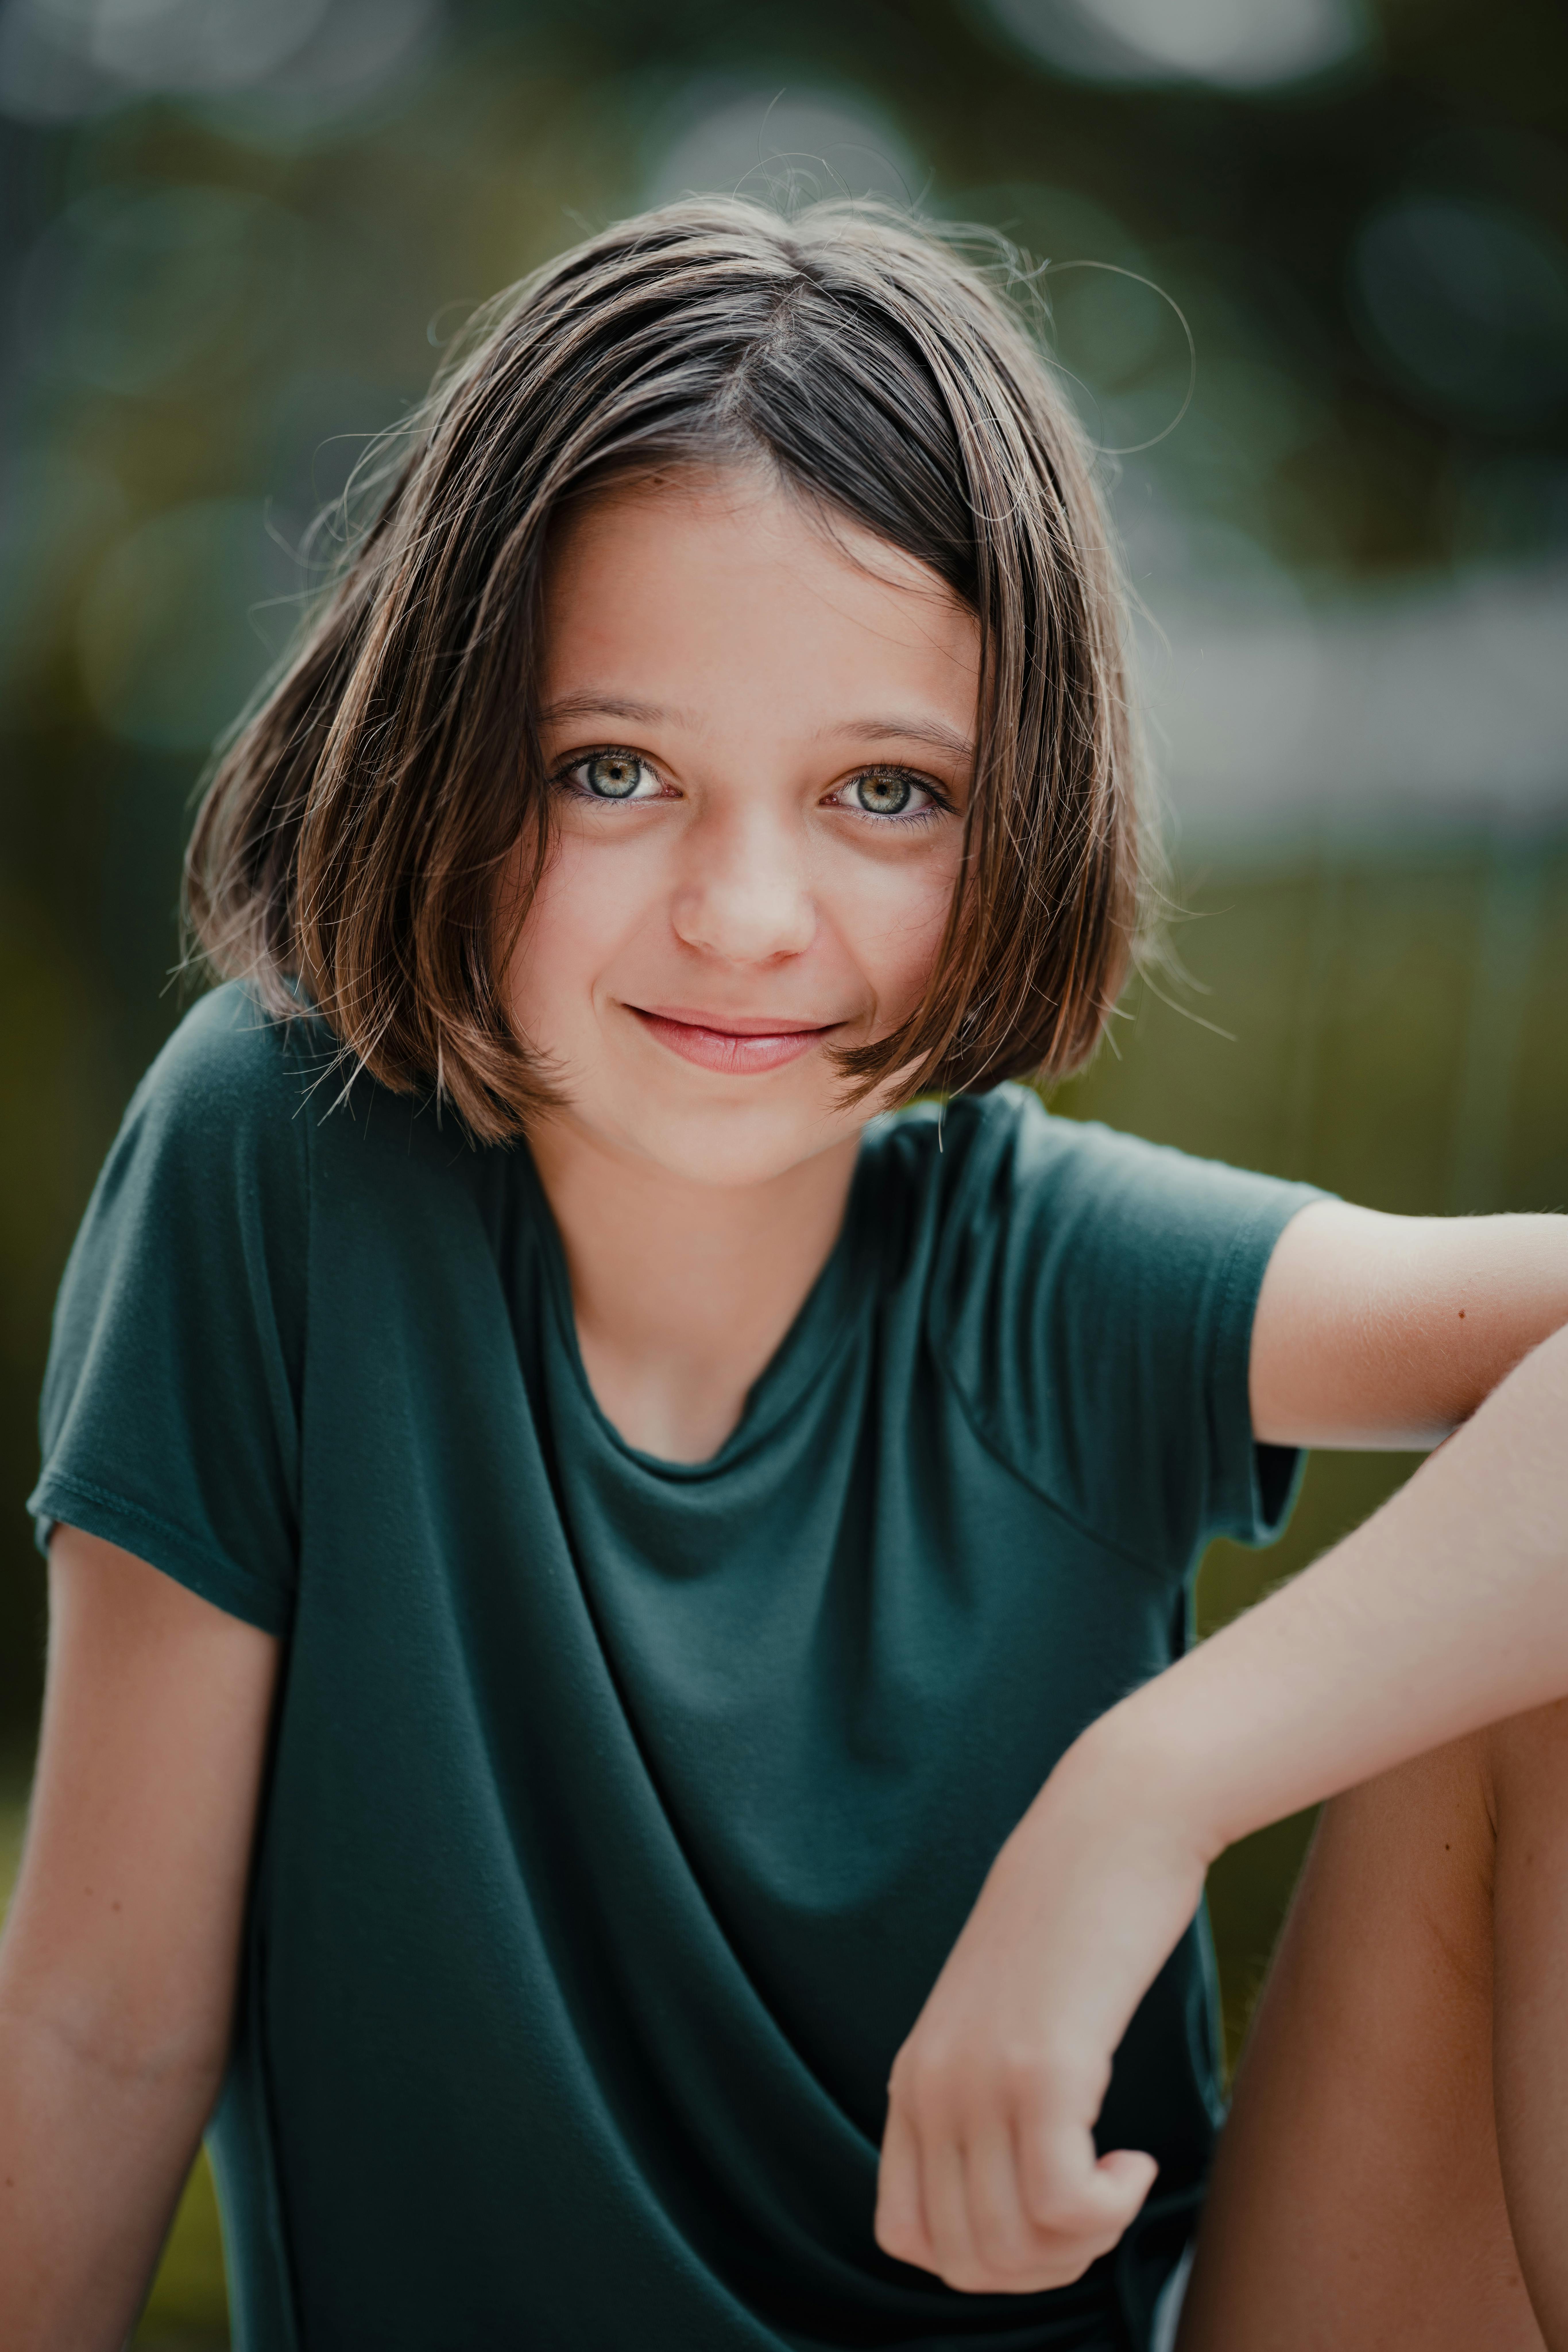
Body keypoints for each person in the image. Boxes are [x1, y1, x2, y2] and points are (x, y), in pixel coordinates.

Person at [1, 197, 1565, 2352]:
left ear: (1018, 820)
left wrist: (1146, 1794)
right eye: (614, 771)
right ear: (446, 755)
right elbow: (95, 2026)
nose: (746, 914)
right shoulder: (284, 1164)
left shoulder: (1050, 1283)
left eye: (885, 794)